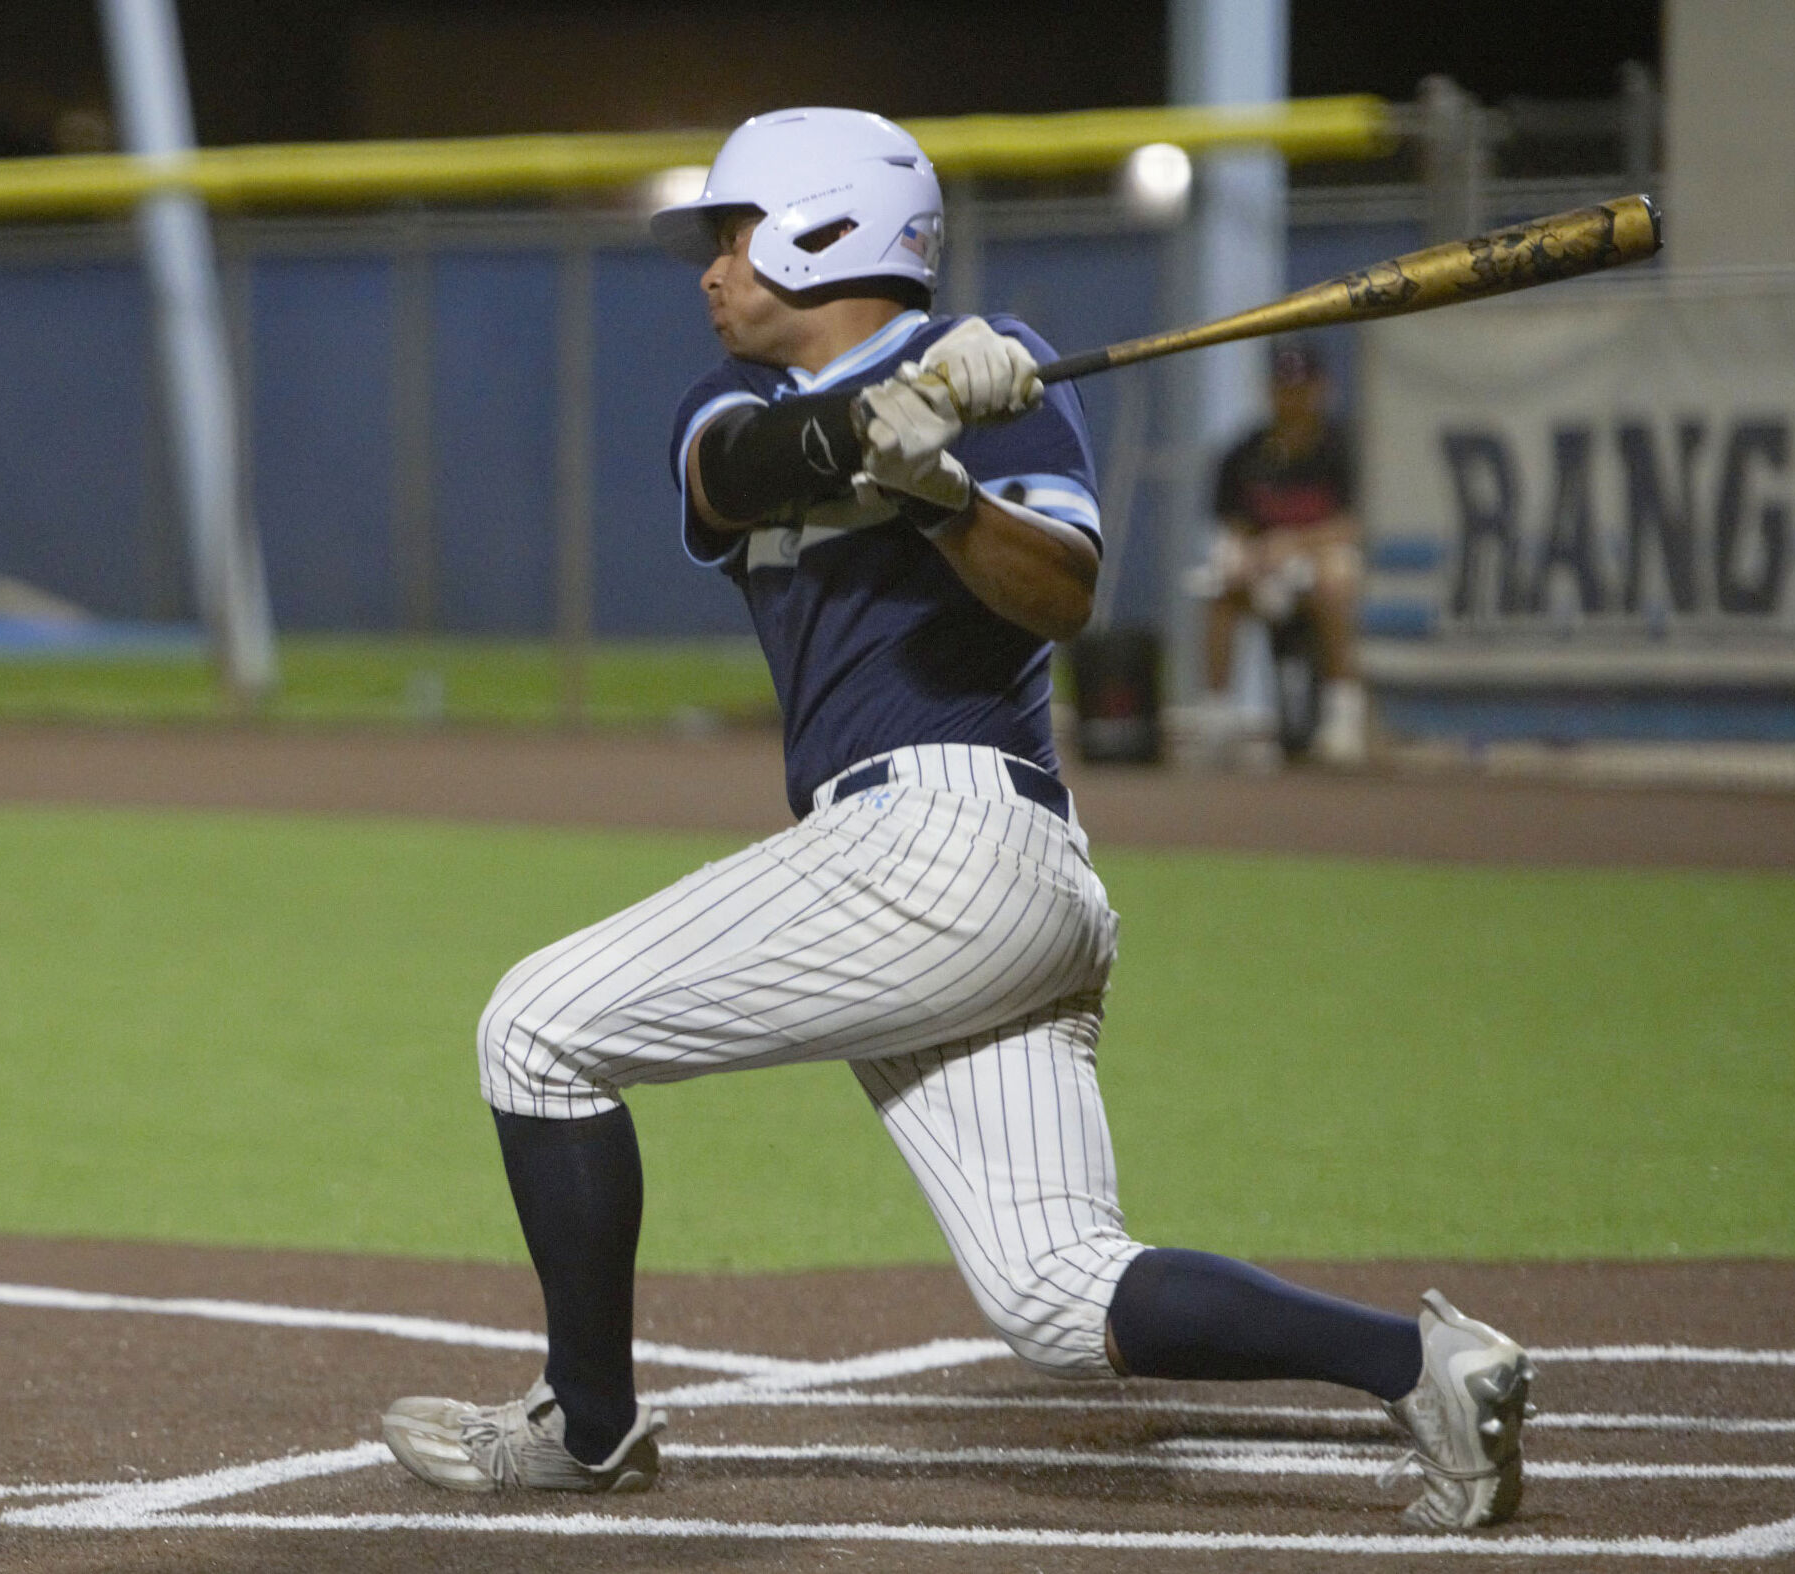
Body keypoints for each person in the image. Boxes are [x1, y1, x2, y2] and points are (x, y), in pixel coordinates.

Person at [380, 107, 1531, 1532]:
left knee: (535, 1029)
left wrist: (940, 495)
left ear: (822, 231)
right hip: (974, 890)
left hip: (952, 847)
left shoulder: (1008, 386)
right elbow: (736, 473)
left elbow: (1063, 593)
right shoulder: (728, 405)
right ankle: (1426, 1365)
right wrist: (882, 427)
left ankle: (591, 1423)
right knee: (1058, 1292)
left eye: (733, 236)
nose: (710, 271)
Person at [1201, 342, 1368, 764]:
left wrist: (1294, 544)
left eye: (1300, 388)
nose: (1291, 398)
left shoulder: (1340, 445)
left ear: (1320, 389)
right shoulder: (1244, 451)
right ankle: (1219, 716)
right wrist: (1251, 556)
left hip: (1318, 560)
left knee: (1335, 579)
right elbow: (1233, 526)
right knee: (1222, 586)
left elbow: (1353, 525)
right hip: (1264, 567)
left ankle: (1343, 717)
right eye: (1282, 387)